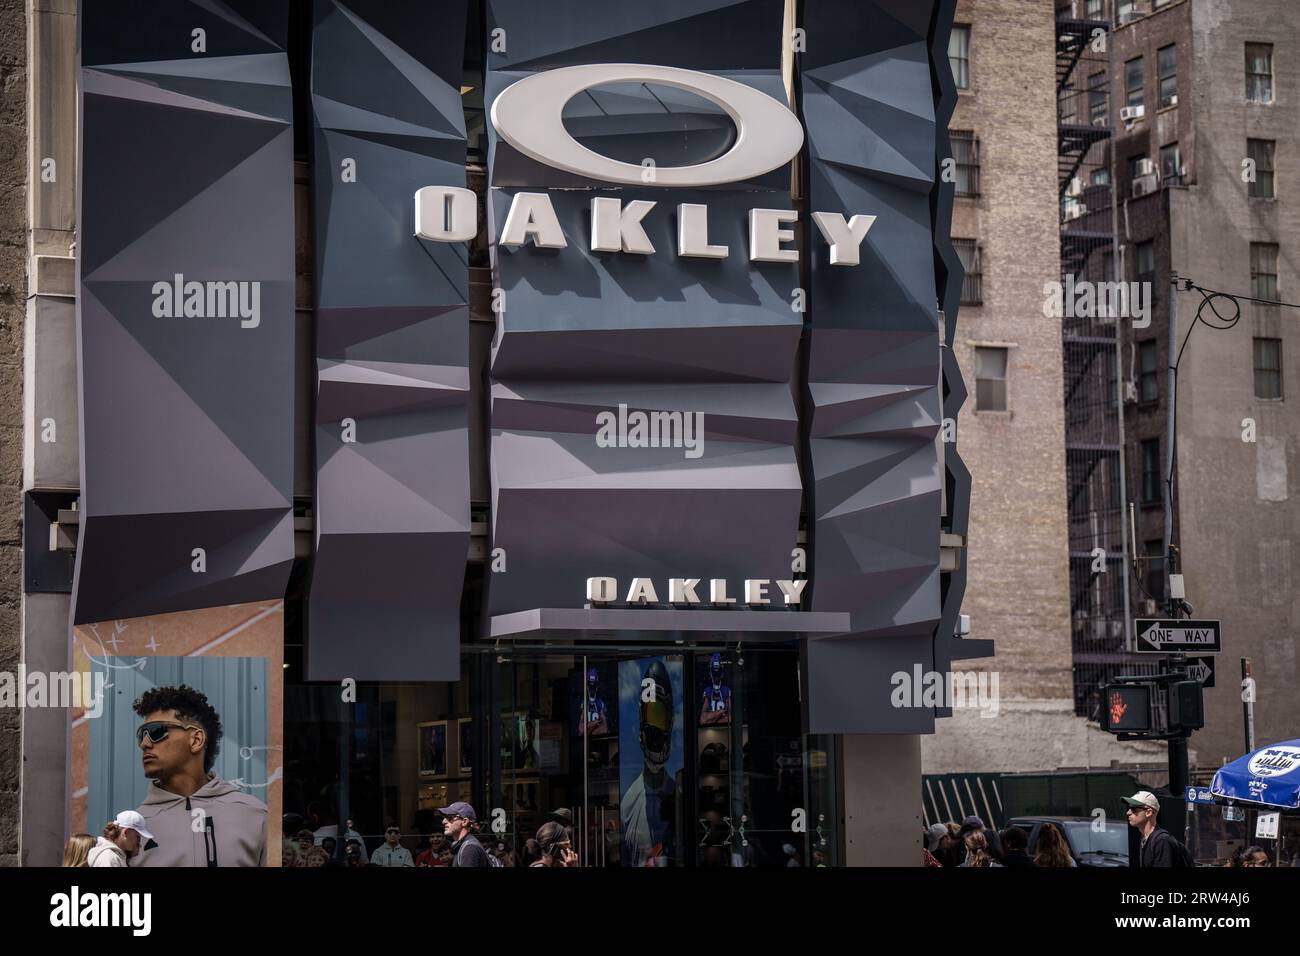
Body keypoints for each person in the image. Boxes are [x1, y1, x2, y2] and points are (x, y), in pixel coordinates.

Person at [129, 684, 267, 866]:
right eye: (142, 735)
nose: (145, 743)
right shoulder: (131, 829)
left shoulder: (256, 815)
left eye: (156, 731)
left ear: (196, 740)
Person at [621, 659, 677, 867]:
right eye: (650, 718)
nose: (654, 733)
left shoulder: (678, 797)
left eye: (659, 718)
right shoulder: (628, 805)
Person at [1124, 790, 1190, 867]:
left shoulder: (1162, 841)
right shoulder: (1144, 838)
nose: (1128, 813)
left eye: (1133, 809)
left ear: (1148, 812)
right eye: (1128, 808)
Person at [88, 812, 155, 867]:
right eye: (137, 836)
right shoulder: (109, 858)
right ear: (126, 832)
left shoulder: (114, 856)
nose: (139, 842)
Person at [440, 801, 491, 867]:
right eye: (444, 817)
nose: (444, 821)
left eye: (449, 817)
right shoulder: (463, 845)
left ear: (464, 822)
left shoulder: (469, 848)